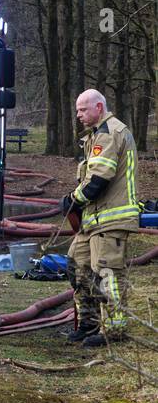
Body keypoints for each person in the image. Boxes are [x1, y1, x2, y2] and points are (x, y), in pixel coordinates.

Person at [61, 89, 139, 347]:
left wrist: (74, 198)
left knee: (107, 274)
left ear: (98, 106)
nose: (79, 115)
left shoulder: (109, 133)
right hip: (93, 220)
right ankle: (89, 322)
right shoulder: (96, 134)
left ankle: (115, 330)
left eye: (83, 110)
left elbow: (98, 180)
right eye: (77, 110)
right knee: (77, 264)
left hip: (111, 220)